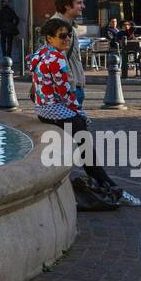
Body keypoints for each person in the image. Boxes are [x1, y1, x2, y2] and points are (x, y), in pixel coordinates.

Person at [30, 17, 119, 193]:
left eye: (69, 35)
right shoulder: (57, 59)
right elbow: (64, 92)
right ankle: (106, 183)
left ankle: (100, 179)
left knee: (80, 133)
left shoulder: (41, 53)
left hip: (42, 109)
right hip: (54, 110)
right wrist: (79, 111)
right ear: (50, 38)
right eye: (62, 36)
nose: (67, 39)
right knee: (82, 133)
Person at [53, 0, 86, 108]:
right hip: (69, 89)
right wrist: (71, 85)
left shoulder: (68, 25)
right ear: (67, 6)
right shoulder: (59, 27)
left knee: (71, 124)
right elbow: (60, 60)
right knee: (70, 125)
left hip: (74, 86)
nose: (83, 6)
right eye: (79, 3)